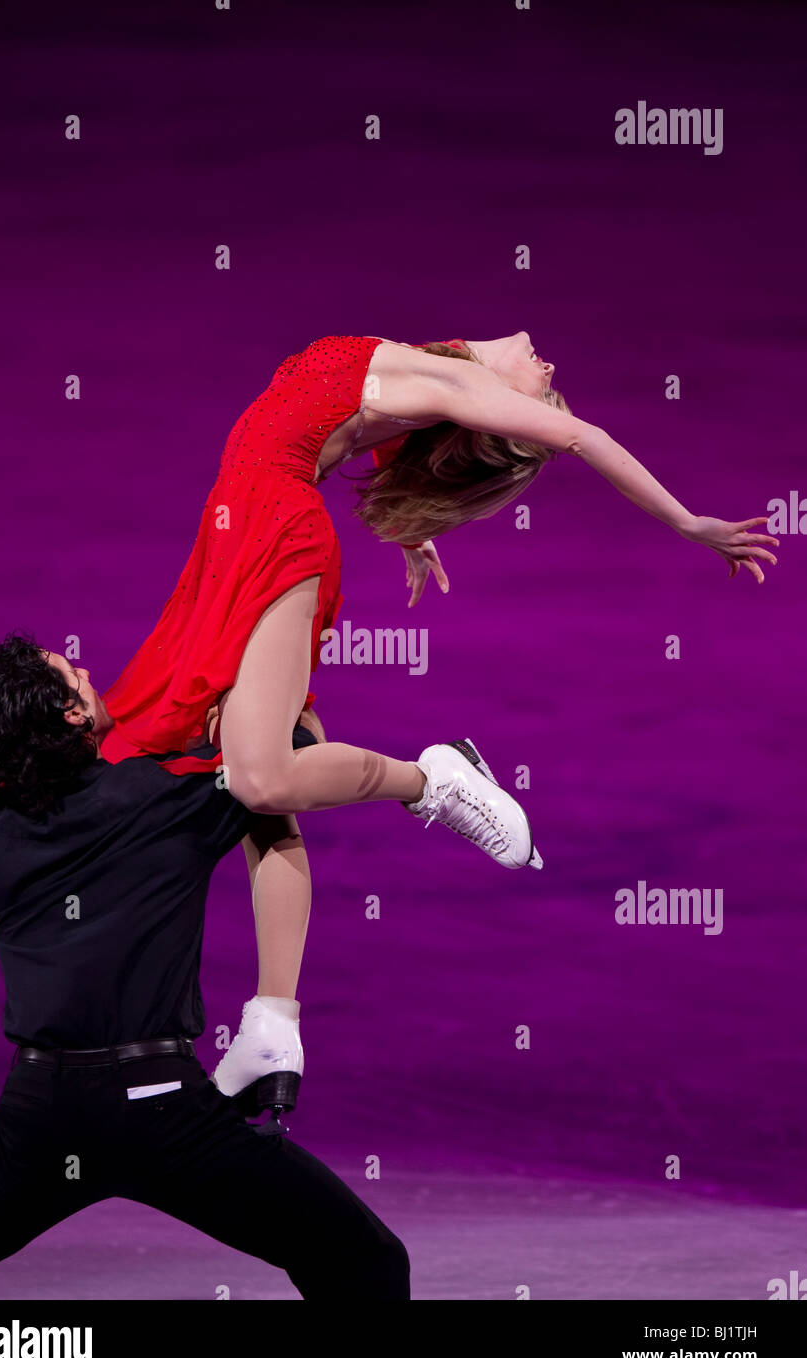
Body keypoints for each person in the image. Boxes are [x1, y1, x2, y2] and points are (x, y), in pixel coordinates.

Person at [97, 332, 778, 1086]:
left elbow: (588, 437)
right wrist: (414, 534)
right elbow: (368, 418)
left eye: (542, 390)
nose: (549, 367)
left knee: (260, 777)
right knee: (272, 765)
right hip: (240, 521)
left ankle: (434, 782)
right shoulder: (435, 364)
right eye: (547, 379)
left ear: (503, 409)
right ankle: (272, 1023)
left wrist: (689, 523)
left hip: (276, 528)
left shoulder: (454, 386)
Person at [0, 636, 410, 1299]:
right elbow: (288, 760)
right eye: (70, 673)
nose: (85, 668)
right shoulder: (157, 798)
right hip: (162, 1112)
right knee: (367, 1260)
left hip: (39, 1117)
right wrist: (235, 721)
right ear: (71, 715)